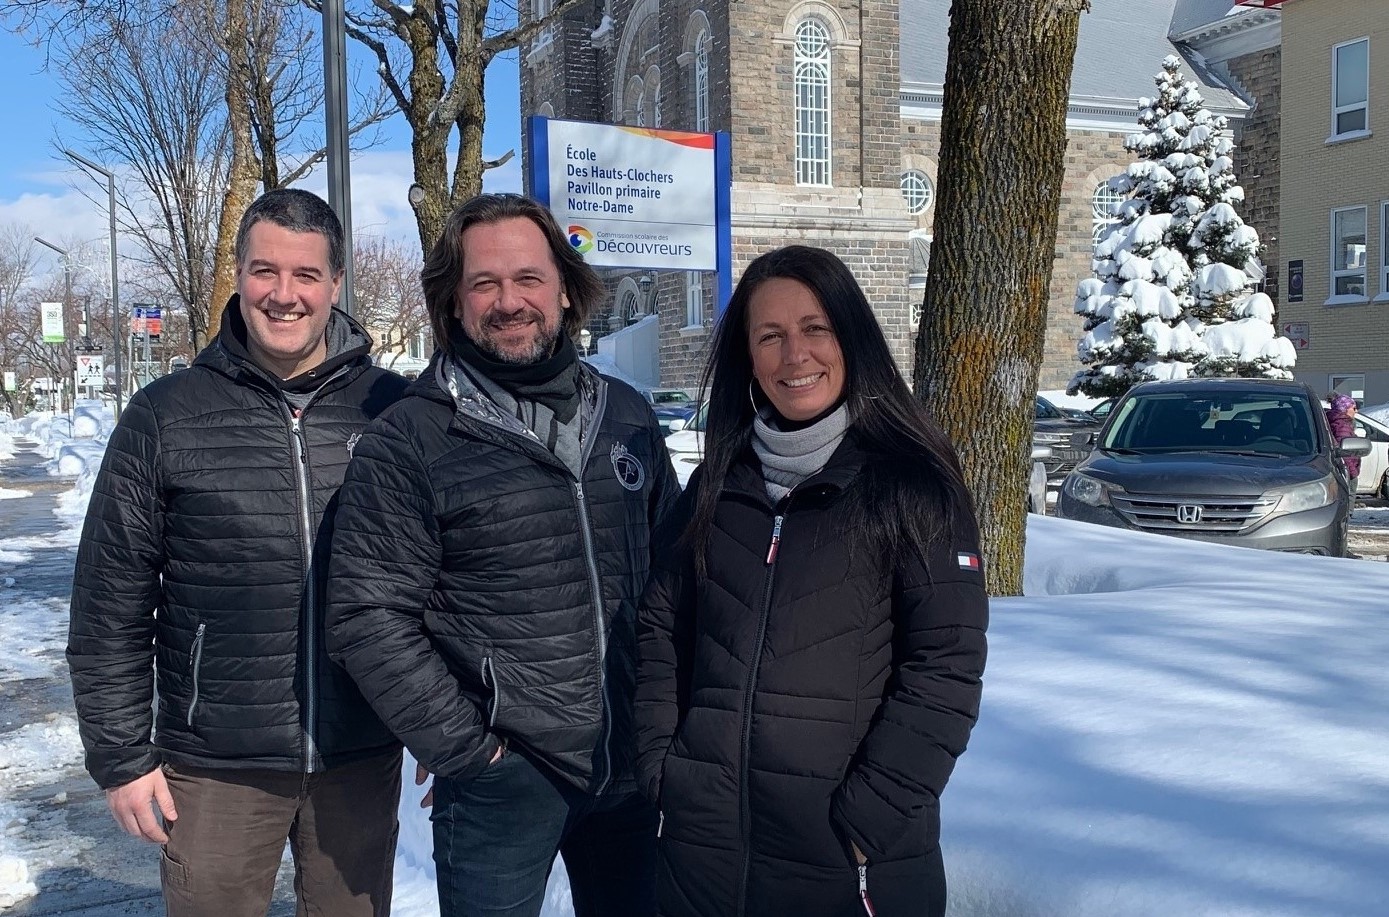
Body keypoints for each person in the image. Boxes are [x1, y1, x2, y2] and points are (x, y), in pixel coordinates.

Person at [323, 193, 680, 917]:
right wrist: (466, 749)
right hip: (504, 783)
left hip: (632, 770)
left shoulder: (627, 416)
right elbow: (367, 614)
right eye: (484, 283)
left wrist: (668, 720)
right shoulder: (411, 438)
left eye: (528, 278)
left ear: (565, 289)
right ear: (453, 302)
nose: (509, 301)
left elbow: (674, 576)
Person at [68, 188, 409, 917]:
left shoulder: (394, 409)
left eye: (305, 274)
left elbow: (446, 576)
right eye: (264, 271)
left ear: (336, 282)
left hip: (359, 750)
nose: (284, 294)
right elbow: (109, 602)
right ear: (239, 275)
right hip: (214, 763)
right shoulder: (166, 414)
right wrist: (121, 756)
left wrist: (456, 727)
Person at [634, 245, 989, 917]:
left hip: (849, 864)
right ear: (748, 358)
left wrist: (868, 818)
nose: (794, 354)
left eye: (814, 328)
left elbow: (945, 665)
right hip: (703, 857)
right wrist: (663, 768)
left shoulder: (912, 484)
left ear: (850, 336)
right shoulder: (716, 486)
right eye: (769, 336)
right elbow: (660, 628)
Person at [1326, 393, 1360, 498]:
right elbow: (1344, 451)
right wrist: (1352, 473)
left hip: (1343, 469)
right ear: (1344, 409)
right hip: (1346, 471)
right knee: (1348, 498)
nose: (1356, 411)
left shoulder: (1337, 422)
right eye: (1354, 408)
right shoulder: (1342, 426)